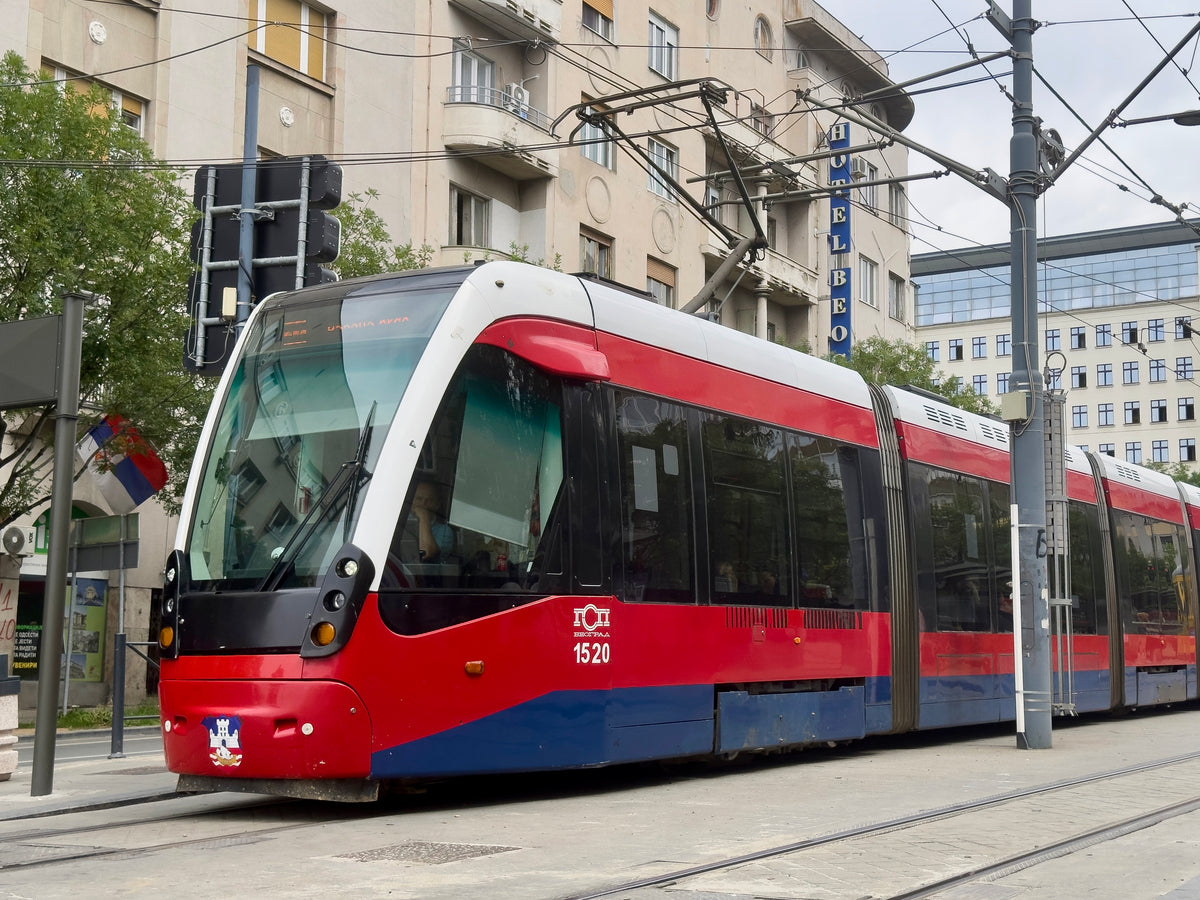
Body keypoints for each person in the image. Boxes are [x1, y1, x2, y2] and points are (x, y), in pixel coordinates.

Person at [409, 478, 455, 562]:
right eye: (419, 499)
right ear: (411, 501)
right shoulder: (398, 523)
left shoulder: (444, 531)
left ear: (437, 504)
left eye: (429, 500)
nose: (423, 504)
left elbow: (426, 554)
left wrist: (423, 517)